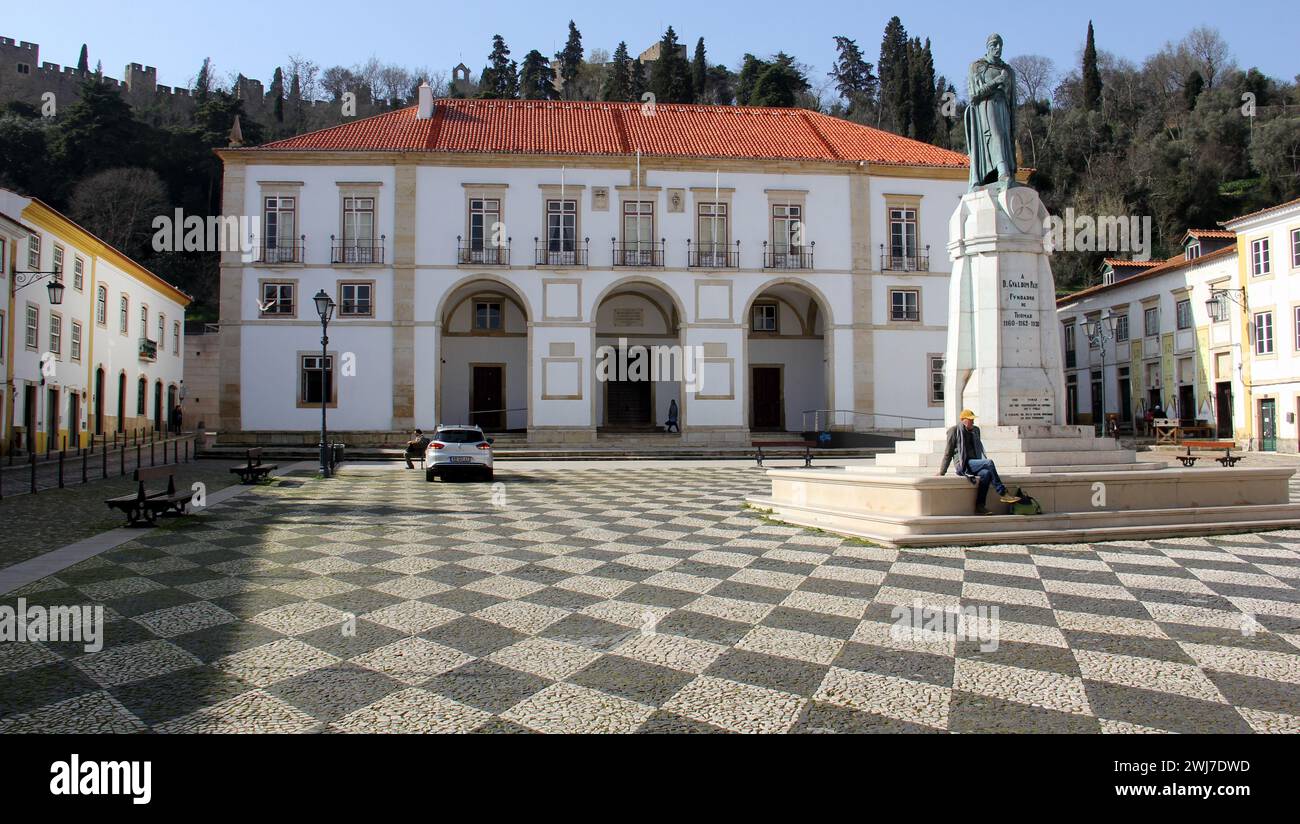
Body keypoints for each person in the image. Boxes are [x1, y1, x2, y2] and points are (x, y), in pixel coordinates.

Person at [937, 409, 1019, 515]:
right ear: (963, 420)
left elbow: (977, 448)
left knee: (986, 474)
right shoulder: (954, 431)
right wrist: (942, 472)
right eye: (970, 420)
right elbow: (948, 452)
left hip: (974, 463)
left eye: (973, 420)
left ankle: (980, 506)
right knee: (988, 463)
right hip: (963, 465)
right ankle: (1003, 493)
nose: (973, 422)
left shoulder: (975, 430)